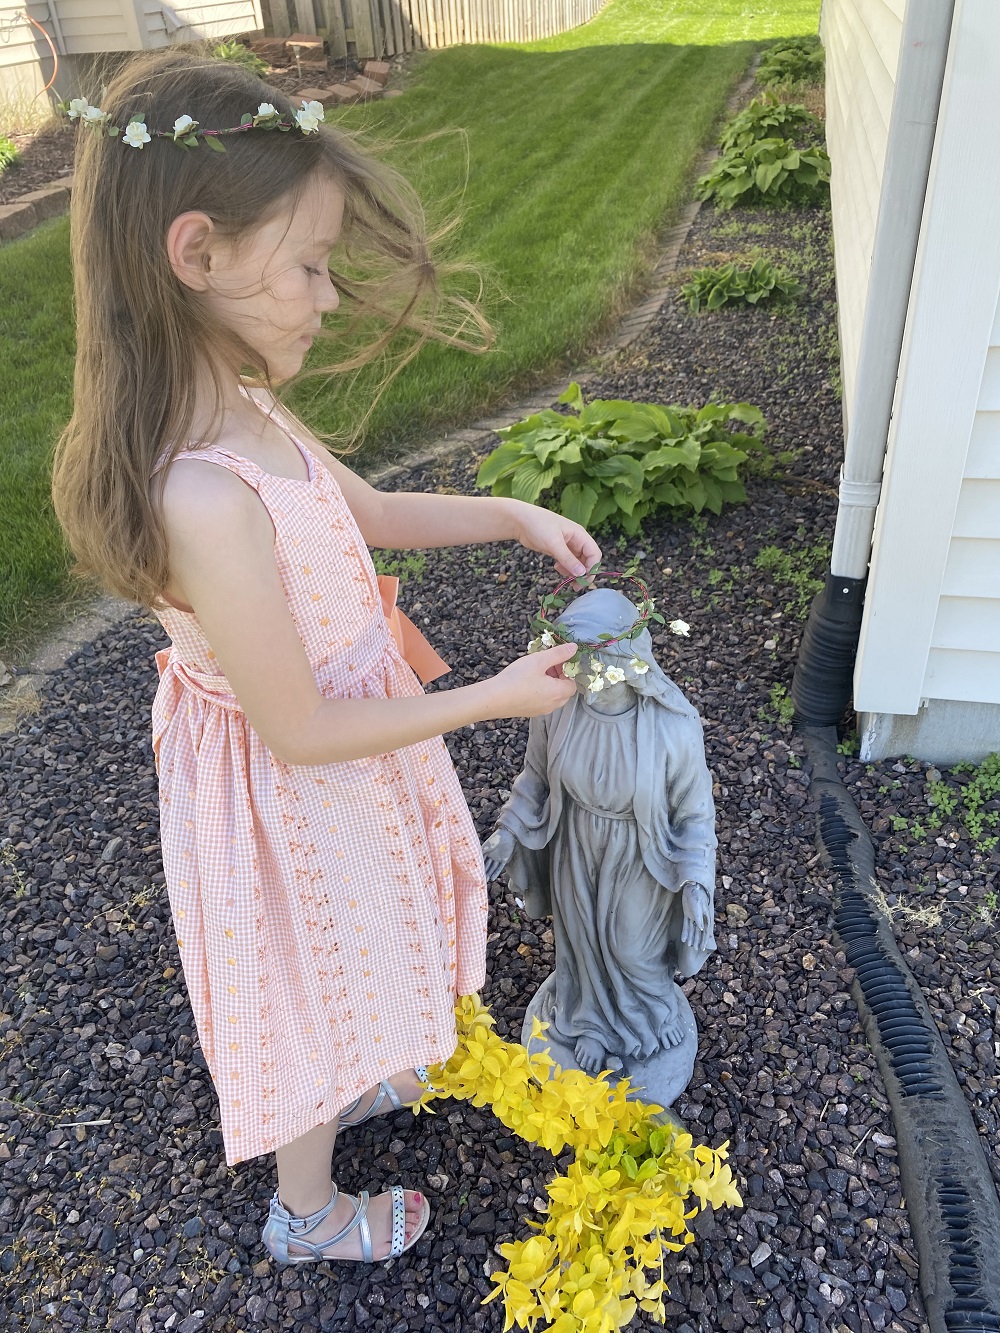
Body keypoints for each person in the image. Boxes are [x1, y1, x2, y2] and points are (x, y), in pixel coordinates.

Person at [50, 49, 599, 1267]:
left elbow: (371, 514)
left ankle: (356, 1070)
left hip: (344, 763)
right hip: (286, 789)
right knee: (296, 981)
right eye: (308, 265)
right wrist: (488, 700)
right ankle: (307, 1212)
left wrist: (511, 514)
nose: (330, 297)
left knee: (359, 931)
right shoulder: (201, 493)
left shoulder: (250, 407)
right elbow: (292, 730)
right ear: (197, 255)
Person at [481, 587, 716, 1081]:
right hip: (576, 842)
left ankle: (648, 1016)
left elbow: (694, 814)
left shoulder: (674, 728)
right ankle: (587, 1023)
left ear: (624, 658)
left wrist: (696, 882)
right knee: (581, 941)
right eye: (571, 659)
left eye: (587, 661)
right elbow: (536, 780)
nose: (575, 673)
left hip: (638, 851)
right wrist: (507, 832)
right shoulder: (557, 711)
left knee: (632, 947)